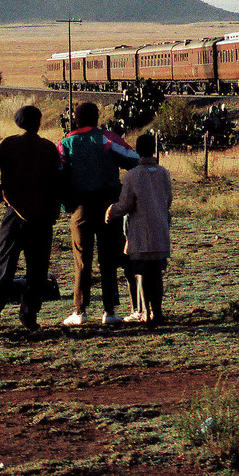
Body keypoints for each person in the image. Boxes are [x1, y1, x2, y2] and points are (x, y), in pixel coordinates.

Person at [0, 105, 64, 331]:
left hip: (14, 215)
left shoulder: (8, 144)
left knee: (5, 266)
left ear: (18, 122)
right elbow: (57, 183)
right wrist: (54, 210)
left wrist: (0, 193)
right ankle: (29, 316)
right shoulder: (48, 148)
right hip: (42, 218)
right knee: (38, 270)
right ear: (39, 122)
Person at [58, 101, 139, 325]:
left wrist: (67, 205)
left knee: (82, 259)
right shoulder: (108, 139)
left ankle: (79, 311)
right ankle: (110, 311)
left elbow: (58, 174)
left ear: (75, 119)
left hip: (81, 207)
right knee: (109, 259)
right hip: (109, 208)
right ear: (97, 118)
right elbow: (133, 160)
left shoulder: (66, 144)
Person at [106, 132, 173, 327]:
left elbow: (126, 204)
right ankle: (158, 312)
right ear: (154, 149)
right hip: (160, 227)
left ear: (137, 150)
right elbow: (168, 200)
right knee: (157, 272)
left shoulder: (132, 175)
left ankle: (145, 312)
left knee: (142, 272)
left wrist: (111, 211)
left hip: (139, 231)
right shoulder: (163, 173)